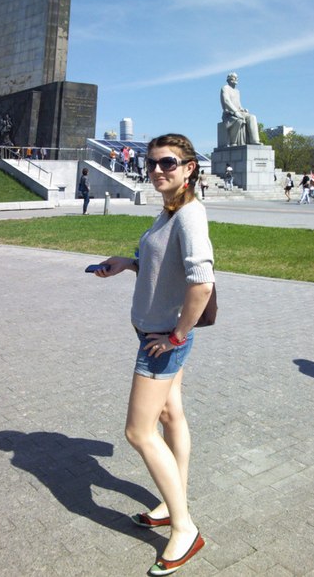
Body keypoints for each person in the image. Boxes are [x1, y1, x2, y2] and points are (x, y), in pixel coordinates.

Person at [94, 133, 213, 575]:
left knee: (138, 432)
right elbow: (166, 267)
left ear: (189, 168)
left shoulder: (189, 216)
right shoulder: (169, 212)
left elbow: (202, 284)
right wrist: (128, 263)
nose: (158, 170)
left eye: (168, 162)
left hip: (161, 340)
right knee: (170, 415)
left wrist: (177, 336)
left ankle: (184, 528)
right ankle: (171, 502)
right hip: (154, 331)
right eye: (151, 163)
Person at [220, 72, 261, 146]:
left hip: (238, 112)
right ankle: (233, 142)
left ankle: (254, 140)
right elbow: (226, 101)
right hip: (229, 114)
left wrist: (242, 109)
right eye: (234, 77)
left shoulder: (237, 91)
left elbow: (238, 104)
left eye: (236, 77)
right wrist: (236, 112)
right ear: (229, 79)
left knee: (252, 117)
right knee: (239, 119)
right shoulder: (225, 88)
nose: (236, 79)